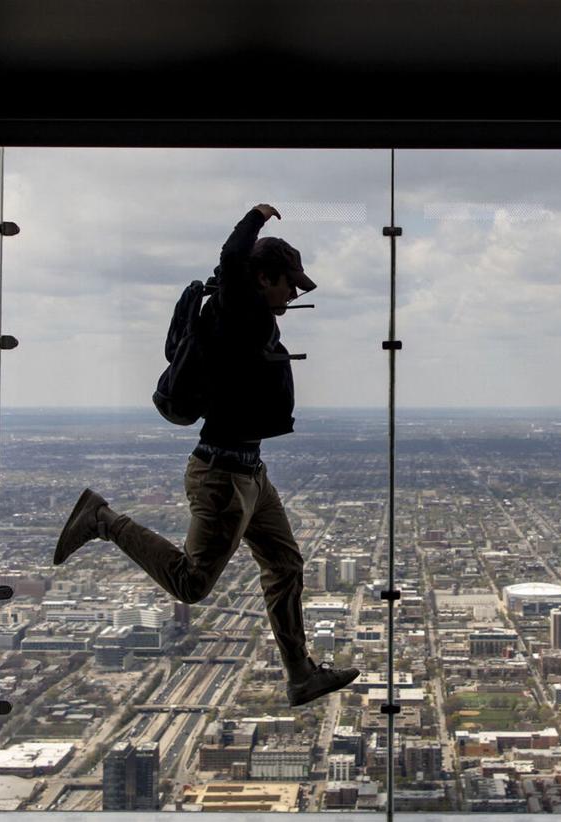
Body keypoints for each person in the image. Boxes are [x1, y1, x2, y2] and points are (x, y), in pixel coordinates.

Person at [52, 203, 359, 708]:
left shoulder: (247, 317)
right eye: (289, 283)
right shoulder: (240, 308)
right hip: (222, 474)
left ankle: (301, 674)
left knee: (285, 564)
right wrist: (255, 217)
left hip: (250, 472)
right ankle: (102, 519)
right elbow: (233, 258)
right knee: (192, 584)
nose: (293, 294)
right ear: (263, 278)